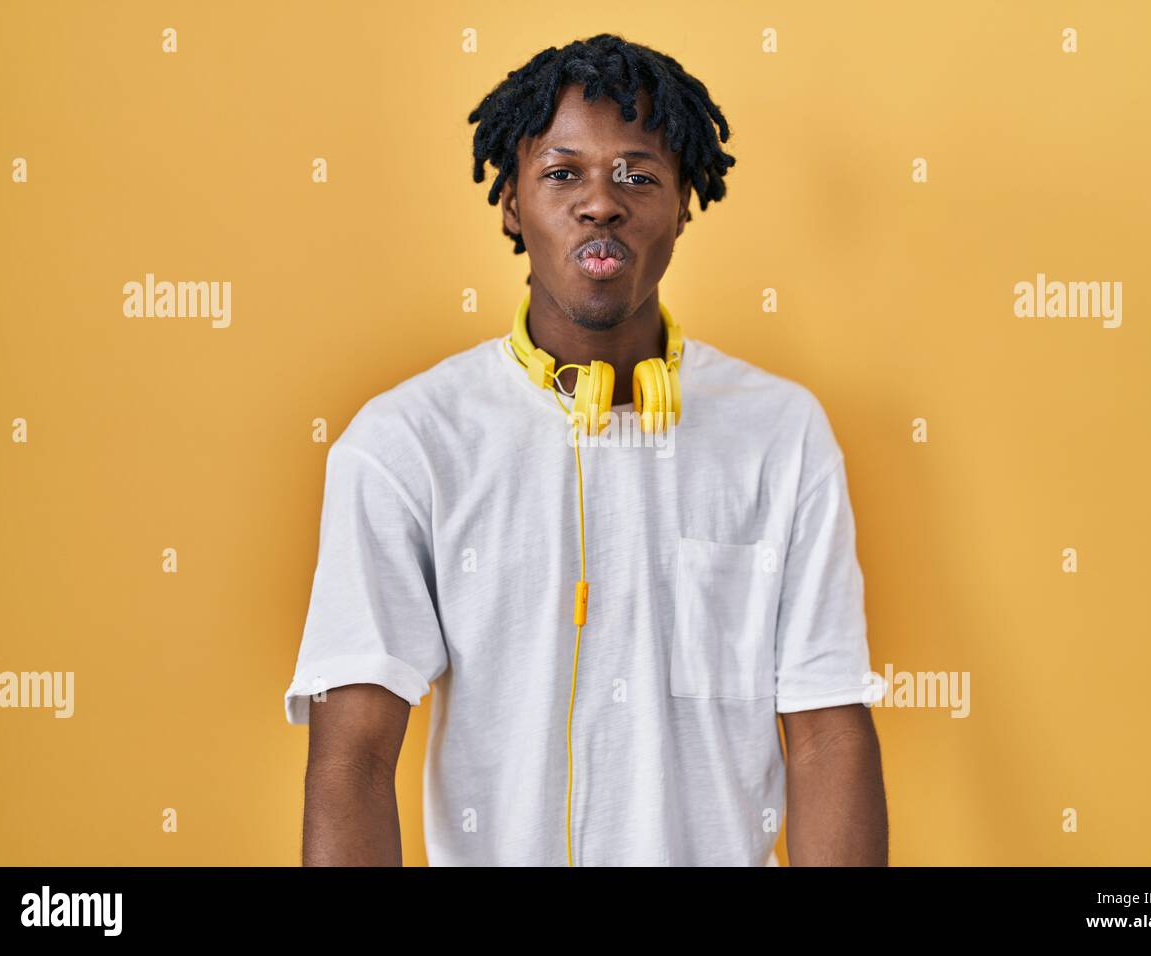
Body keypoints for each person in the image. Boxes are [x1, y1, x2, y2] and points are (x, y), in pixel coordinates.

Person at [284, 33, 888, 866]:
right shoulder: (404, 444)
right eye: (563, 173)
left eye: (638, 175)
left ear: (684, 205)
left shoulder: (782, 434)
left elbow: (826, 735)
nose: (601, 202)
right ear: (509, 203)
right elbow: (352, 755)